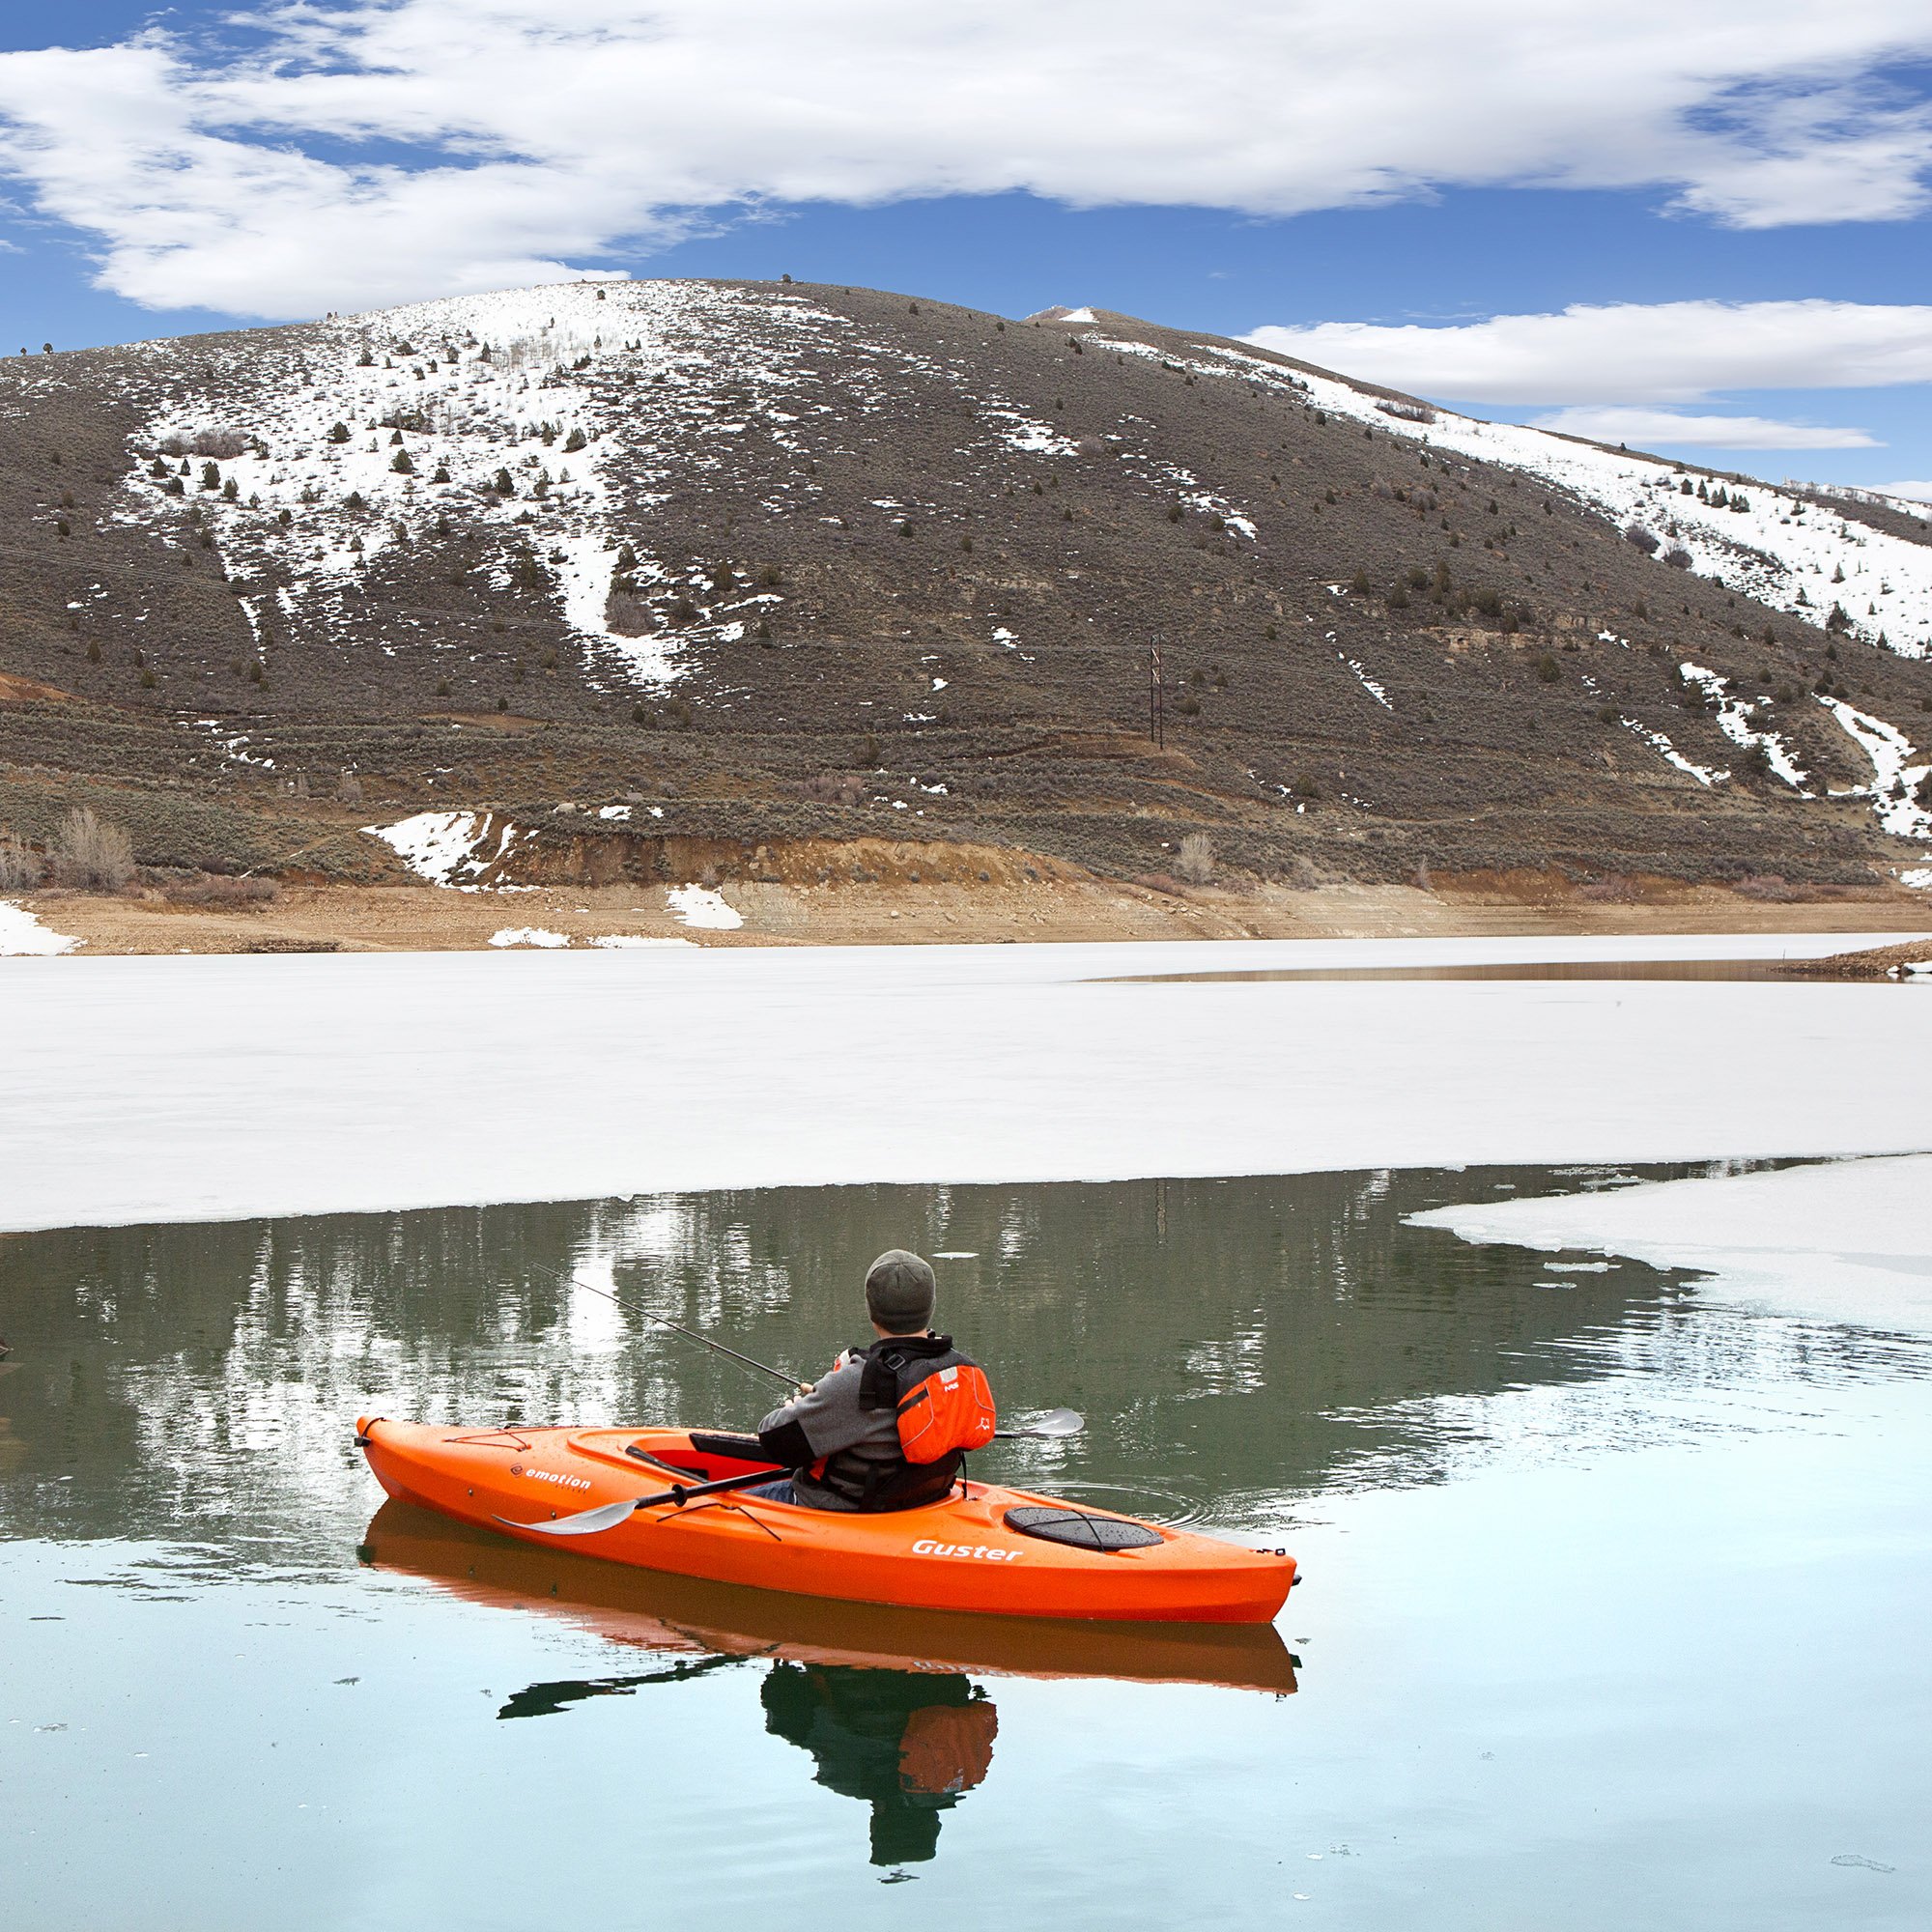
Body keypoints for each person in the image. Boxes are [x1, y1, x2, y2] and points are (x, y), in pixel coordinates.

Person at [747, 1249, 995, 1511]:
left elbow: (774, 1440)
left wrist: (796, 1408)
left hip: (848, 1509)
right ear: (931, 1306)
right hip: (926, 1499)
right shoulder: (958, 1368)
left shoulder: (856, 1381)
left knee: (720, 1505)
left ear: (871, 1311)